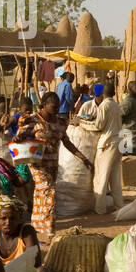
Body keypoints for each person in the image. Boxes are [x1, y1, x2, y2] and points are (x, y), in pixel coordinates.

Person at [16, 91, 92, 242]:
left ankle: (35, 229)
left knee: (40, 194)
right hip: (37, 165)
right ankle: (51, 233)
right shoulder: (33, 121)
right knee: (49, 192)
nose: (56, 109)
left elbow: (67, 142)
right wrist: (19, 138)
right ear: (43, 105)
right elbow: (20, 136)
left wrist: (83, 158)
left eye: (58, 107)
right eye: (53, 106)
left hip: (52, 165)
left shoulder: (60, 122)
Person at [84, 80, 123, 215]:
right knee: (115, 178)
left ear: (103, 94)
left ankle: (100, 209)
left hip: (107, 144)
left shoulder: (104, 106)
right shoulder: (116, 105)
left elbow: (98, 126)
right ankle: (120, 206)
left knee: (101, 177)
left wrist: (81, 123)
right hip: (118, 143)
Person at [0, 195, 40, 265]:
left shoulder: (26, 231)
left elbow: (34, 261)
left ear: (20, 219)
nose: (8, 223)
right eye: (3, 218)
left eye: (13, 219)